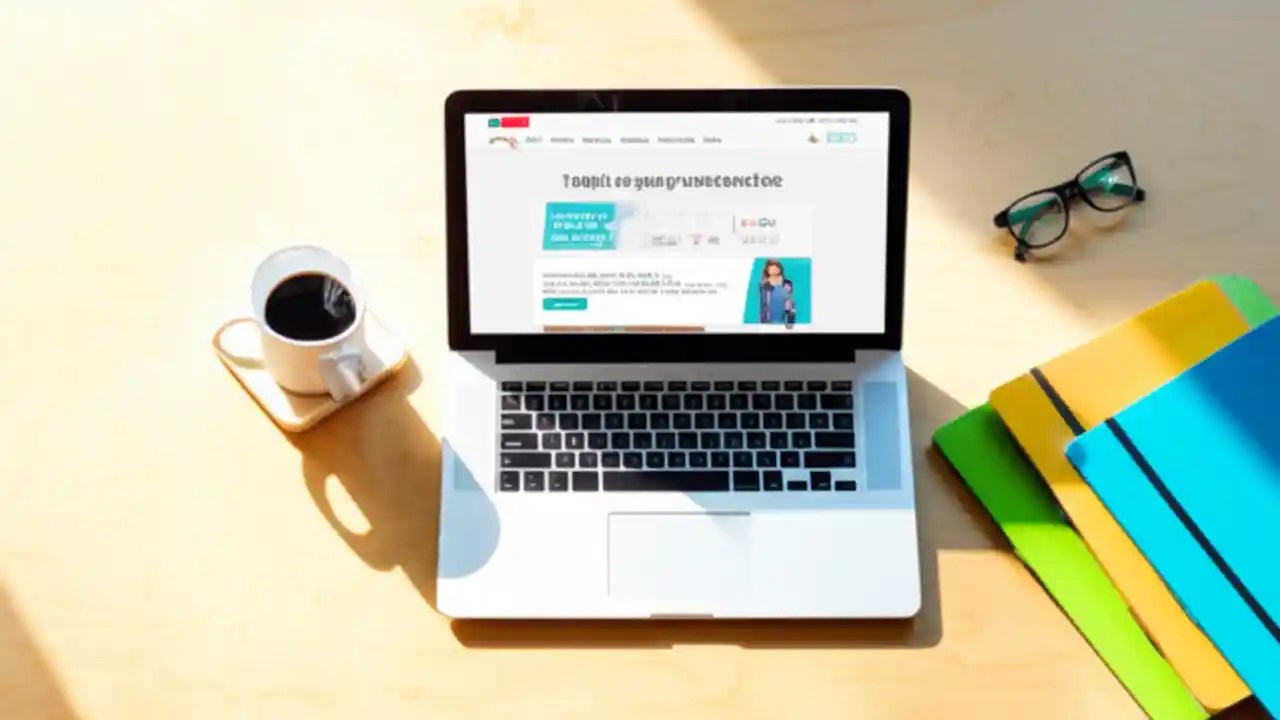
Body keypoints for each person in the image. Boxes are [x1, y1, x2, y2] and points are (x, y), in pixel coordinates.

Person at [758, 259, 788, 323]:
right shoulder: (763, 284)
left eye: (776, 268)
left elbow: (788, 299)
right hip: (767, 318)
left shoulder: (787, 283)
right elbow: (763, 303)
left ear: (780, 269)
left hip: (783, 318)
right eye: (772, 269)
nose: (774, 271)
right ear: (767, 271)